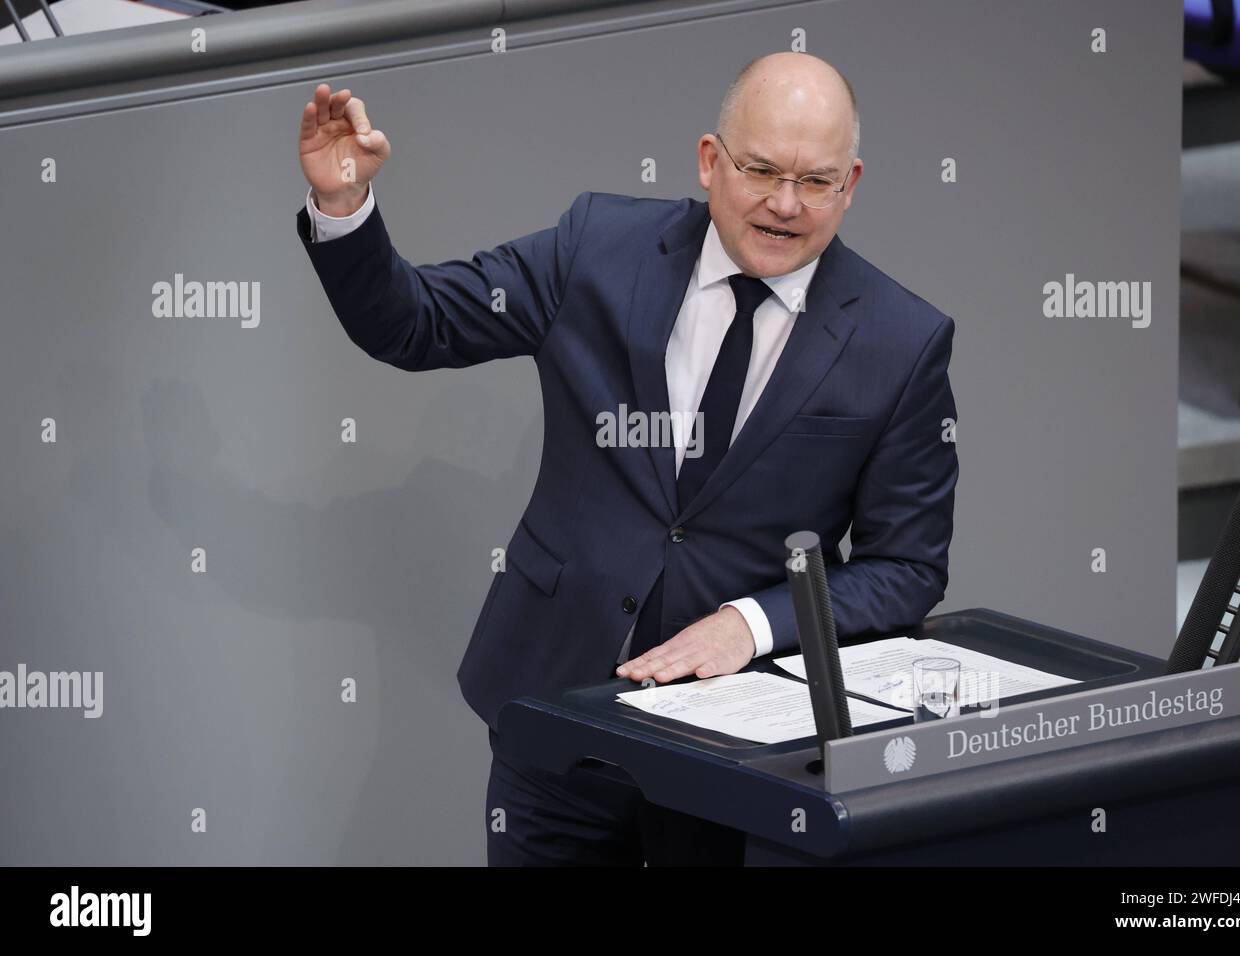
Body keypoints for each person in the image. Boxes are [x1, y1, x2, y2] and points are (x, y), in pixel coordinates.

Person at [296, 52, 958, 865]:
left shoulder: (901, 340)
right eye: (760, 171)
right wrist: (344, 204)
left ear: (850, 183)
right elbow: (413, 322)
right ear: (711, 161)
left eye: (816, 182)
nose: (786, 205)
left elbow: (907, 566)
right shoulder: (597, 248)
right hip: (557, 719)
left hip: (743, 755)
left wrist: (749, 625)